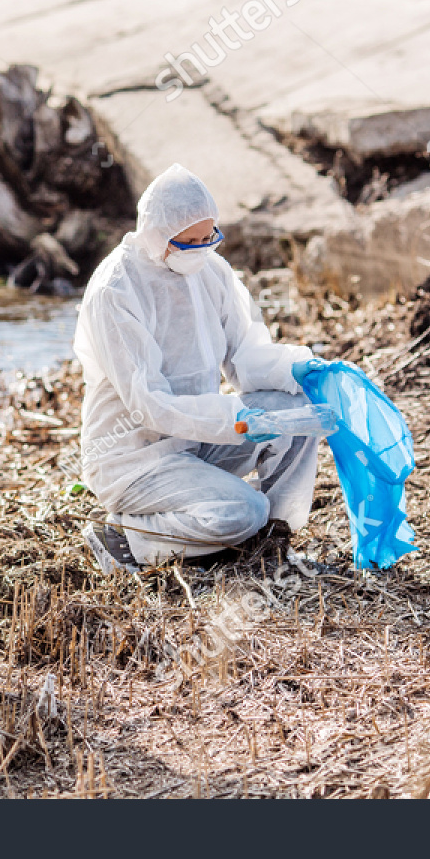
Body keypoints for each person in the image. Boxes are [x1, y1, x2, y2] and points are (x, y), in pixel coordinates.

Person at [73, 164, 325, 573]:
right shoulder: (116, 291)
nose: (200, 249)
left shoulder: (210, 270)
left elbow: (245, 353)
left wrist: (300, 370)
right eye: (187, 242)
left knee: (295, 417)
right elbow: (150, 404)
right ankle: (126, 537)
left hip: (197, 439)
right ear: (156, 235)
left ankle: (272, 540)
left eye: (208, 237)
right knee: (242, 511)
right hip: (135, 457)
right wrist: (236, 419)